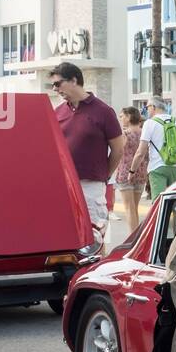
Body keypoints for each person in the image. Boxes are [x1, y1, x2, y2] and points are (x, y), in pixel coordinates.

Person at [52, 62, 122, 247]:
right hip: (63, 188)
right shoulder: (57, 113)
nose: (55, 89)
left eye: (58, 84)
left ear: (74, 80)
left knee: (93, 241)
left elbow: (118, 148)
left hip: (90, 187)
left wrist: (104, 174)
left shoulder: (104, 111)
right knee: (64, 239)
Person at [133, 96, 176, 198]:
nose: (146, 110)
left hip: (157, 168)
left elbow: (141, 152)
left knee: (158, 202)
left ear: (153, 107)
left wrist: (132, 170)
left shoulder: (149, 123)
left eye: (147, 107)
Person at [114, 106, 149, 232]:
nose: (121, 119)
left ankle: (132, 238)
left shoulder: (125, 134)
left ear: (128, 117)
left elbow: (118, 151)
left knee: (129, 208)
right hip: (141, 172)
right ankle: (136, 236)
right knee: (134, 208)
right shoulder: (144, 132)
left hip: (125, 172)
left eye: (122, 116)